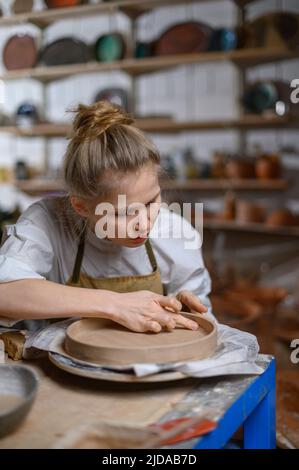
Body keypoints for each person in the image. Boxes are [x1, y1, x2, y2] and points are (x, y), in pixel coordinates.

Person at [0, 101, 213, 332]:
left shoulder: (175, 232)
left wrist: (181, 304)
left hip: (154, 364)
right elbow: (5, 292)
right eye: (123, 213)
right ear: (81, 206)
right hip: (68, 364)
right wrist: (115, 305)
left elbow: (202, 316)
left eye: (151, 202)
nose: (143, 223)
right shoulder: (47, 222)